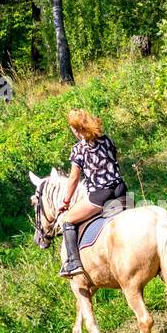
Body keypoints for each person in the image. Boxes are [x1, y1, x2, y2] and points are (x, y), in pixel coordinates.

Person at [57, 108, 127, 276]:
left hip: (100, 195)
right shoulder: (107, 139)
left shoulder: (78, 149)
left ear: (77, 128)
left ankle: (73, 262)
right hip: (121, 190)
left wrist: (66, 202)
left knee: (67, 220)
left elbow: (74, 179)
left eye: (72, 128)